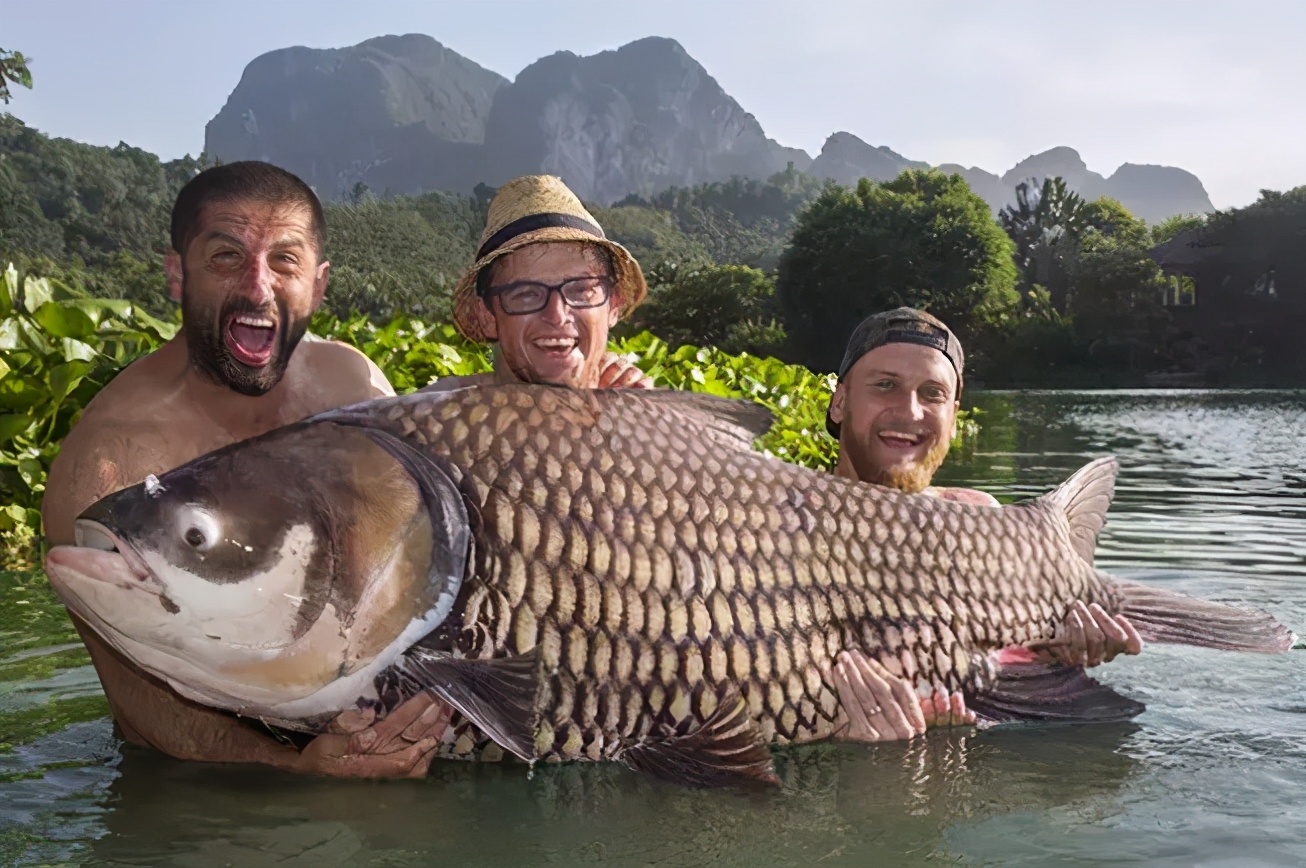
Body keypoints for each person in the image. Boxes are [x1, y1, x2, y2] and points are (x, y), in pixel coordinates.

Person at [41, 161, 450, 778]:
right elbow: (141, 711)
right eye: (227, 257)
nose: (257, 288)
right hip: (213, 782)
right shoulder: (110, 462)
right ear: (177, 274)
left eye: (284, 261)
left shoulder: (352, 384)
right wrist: (294, 770)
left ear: (318, 284)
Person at [824, 308, 1145, 742]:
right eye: (886, 386)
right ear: (839, 401)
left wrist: (1060, 654)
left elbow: (1016, 656)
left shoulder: (983, 519)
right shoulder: (767, 525)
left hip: (988, 749)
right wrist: (830, 728)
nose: (910, 411)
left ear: (953, 416)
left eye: (933, 393)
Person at [439, 173, 653, 391]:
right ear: (487, 317)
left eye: (581, 290)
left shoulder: (652, 415)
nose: (557, 316)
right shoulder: (431, 418)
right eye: (526, 294)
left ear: (613, 305)